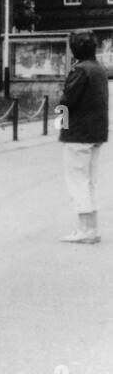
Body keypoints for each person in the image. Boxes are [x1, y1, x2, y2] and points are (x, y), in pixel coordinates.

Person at [58, 30, 109, 243]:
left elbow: (66, 101)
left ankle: (85, 231)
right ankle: (92, 228)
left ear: (74, 49)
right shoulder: (99, 69)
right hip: (96, 133)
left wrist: (60, 121)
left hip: (78, 134)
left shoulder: (79, 70)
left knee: (77, 182)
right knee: (89, 182)